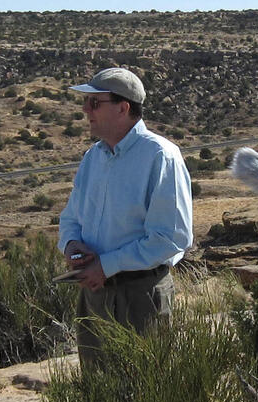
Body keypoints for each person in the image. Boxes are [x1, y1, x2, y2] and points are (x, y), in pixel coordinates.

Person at [57, 67, 193, 365]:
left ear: (123, 107)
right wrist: (71, 245)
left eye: (94, 103)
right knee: (98, 395)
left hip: (140, 297)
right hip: (93, 295)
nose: (85, 109)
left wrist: (106, 265)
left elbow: (171, 238)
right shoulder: (94, 157)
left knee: (143, 396)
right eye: (86, 102)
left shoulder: (160, 156)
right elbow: (70, 218)